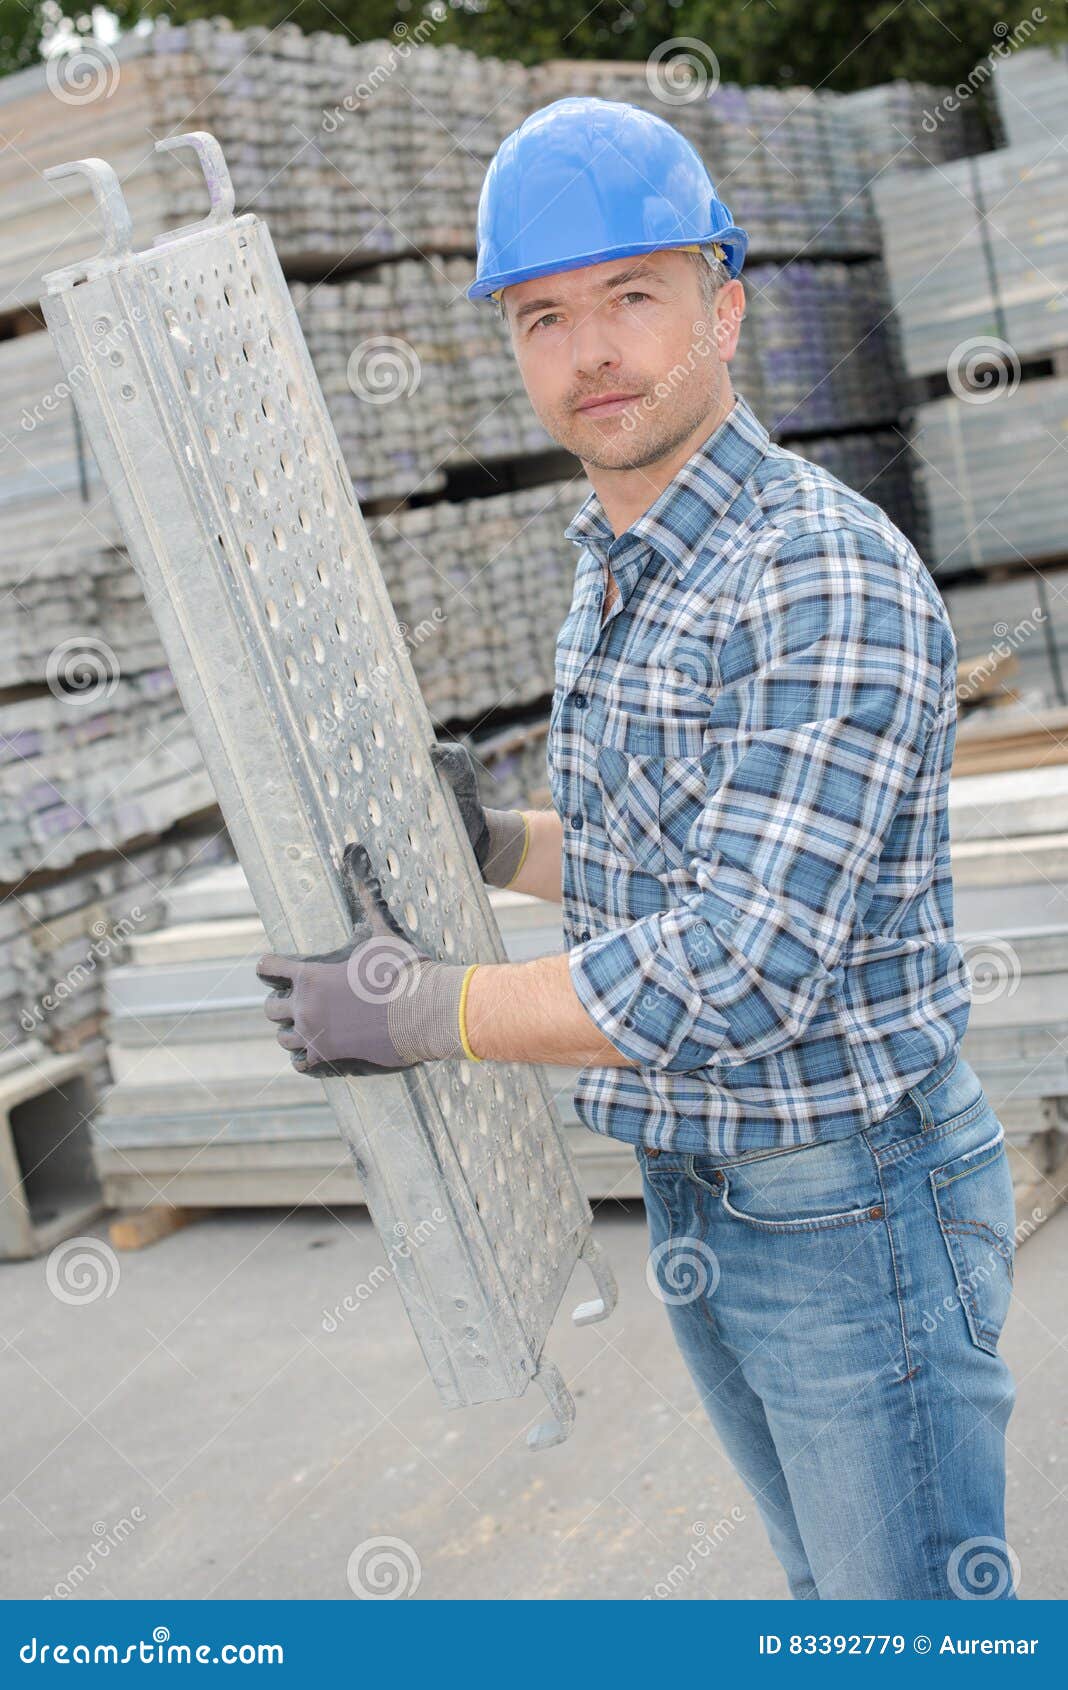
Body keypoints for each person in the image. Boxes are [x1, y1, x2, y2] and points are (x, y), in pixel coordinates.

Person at [258, 96, 1018, 1601]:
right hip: (706, 1181)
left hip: (850, 1203)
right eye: (544, 316)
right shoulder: (626, 562)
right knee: (832, 1608)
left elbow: (740, 961)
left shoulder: (816, 572)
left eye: (631, 296)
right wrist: (499, 844)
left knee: (905, 1626)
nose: (590, 351)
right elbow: (663, 858)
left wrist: (426, 1012)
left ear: (723, 310)